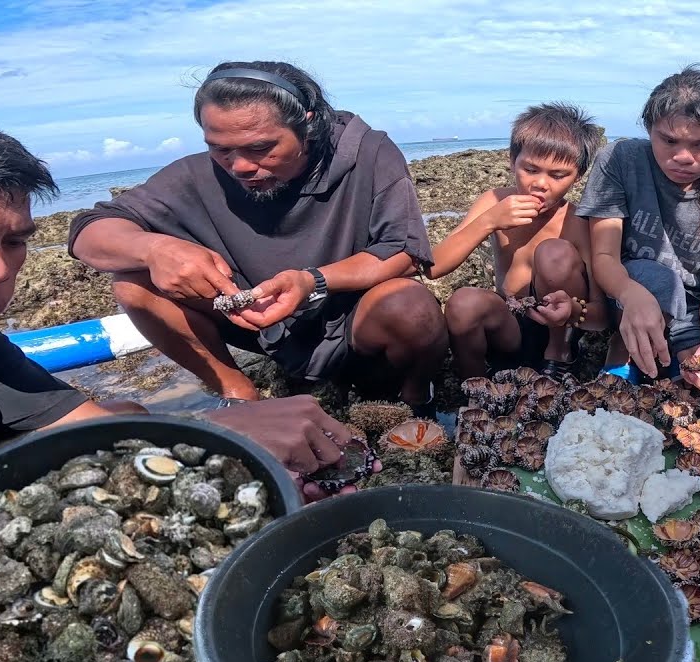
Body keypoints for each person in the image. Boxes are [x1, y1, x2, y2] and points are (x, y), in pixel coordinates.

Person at [0, 114, 360, 493]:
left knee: (128, 414)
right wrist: (220, 431)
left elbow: (82, 423)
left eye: (13, 241)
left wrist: (223, 439)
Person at [69, 61, 446, 415]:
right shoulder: (194, 176)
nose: (241, 166)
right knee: (134, 283)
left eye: (261, 148)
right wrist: (154, 248)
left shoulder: (368, 152)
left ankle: (415, 398)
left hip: (352, 321)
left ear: (306, 126)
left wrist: (311, 281)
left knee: (410, 305)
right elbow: (89, 230)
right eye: (220, 149)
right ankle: (238, 392)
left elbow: (403, 251)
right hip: (255, 324)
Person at [577, 65, 700, 391]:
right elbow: (605, 255)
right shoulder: (620, 160)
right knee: (660, 281)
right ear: (649, 126)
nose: (683, 157)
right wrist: (631, 294)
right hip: (624, 288)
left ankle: (671, 357)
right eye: (669, 140)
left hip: (694, 308)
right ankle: (620, 355)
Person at [425, 103, 608, 379]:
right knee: (463, 302)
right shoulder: (494, 202)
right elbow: (433, 266)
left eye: (558, 175)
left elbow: (603, 315)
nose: (541, 184)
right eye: (530, 169)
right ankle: (476, 389)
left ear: (578, 176)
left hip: (558, 330)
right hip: (507, 325)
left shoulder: (578, 222)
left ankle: (559, 357)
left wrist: (573, 311)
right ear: (512, 161)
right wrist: (489, 220)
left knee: (553, 252)